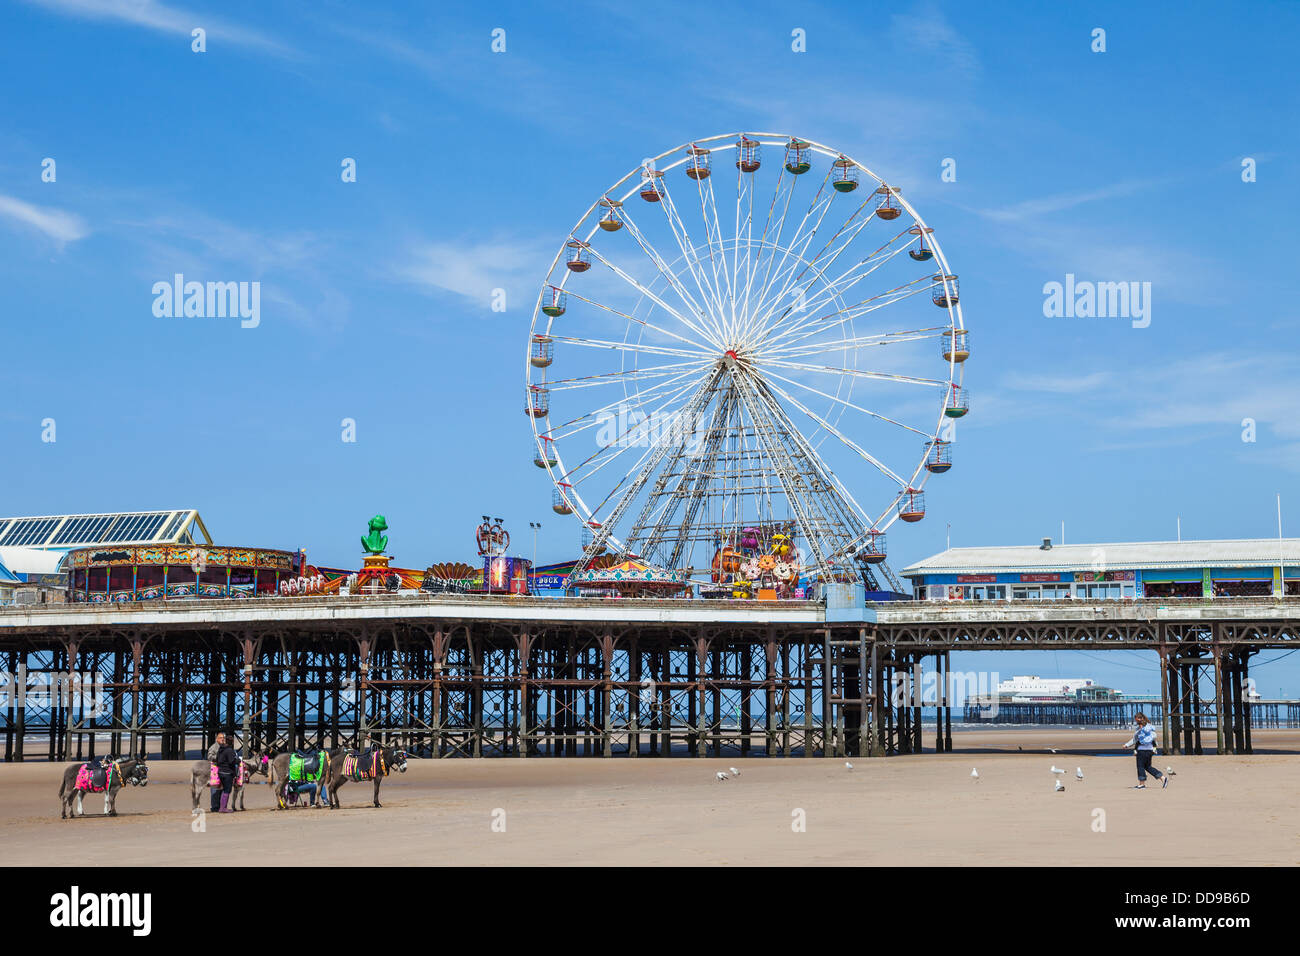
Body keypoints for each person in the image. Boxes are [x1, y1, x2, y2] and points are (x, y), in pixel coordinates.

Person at [1122, 712, 1167, 789]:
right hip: (1149, 750)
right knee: (1148, 766)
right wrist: (1127, 745)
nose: (1136, 722)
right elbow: (1135, 740)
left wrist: (1127, 745)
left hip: (1143, 750)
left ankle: (1142, 784)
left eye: (1137, 720)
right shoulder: (1143, 728)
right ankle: (1162, 778)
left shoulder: (1147, 728)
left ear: (1141, 719)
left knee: (1140, 766)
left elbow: (1152, 737)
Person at [212, 733, 239, 812]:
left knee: (223, 789)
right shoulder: (229, 750)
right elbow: (231, 761)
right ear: (231, 742)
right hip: (227, 773)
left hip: (220, 772)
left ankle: (221, 807)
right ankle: (223, 808)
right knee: (227, 790)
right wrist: (238, 760)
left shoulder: (220, 749)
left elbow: (217, 759)